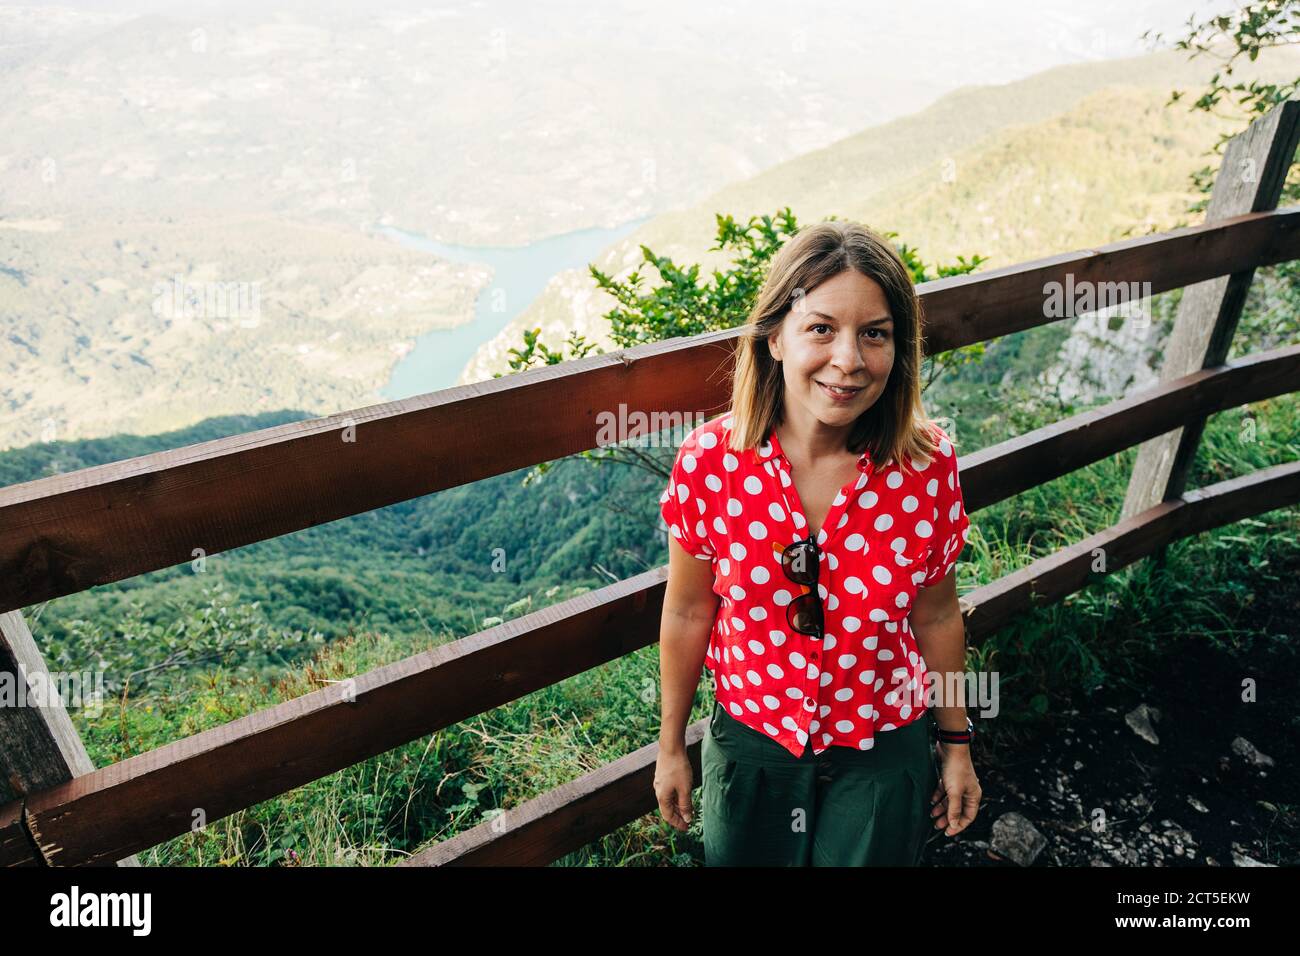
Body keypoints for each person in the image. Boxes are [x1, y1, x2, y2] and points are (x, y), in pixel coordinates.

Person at [653, 219, 981, 866]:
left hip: (884, 745)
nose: (850, 360)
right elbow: (689, 610)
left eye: (875, 334)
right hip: (753, 738)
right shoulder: (711, 462)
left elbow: (937, 613)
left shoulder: (926, 466)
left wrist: (956, 744)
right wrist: (669, 746)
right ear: (775, 336)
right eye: (821, 328)